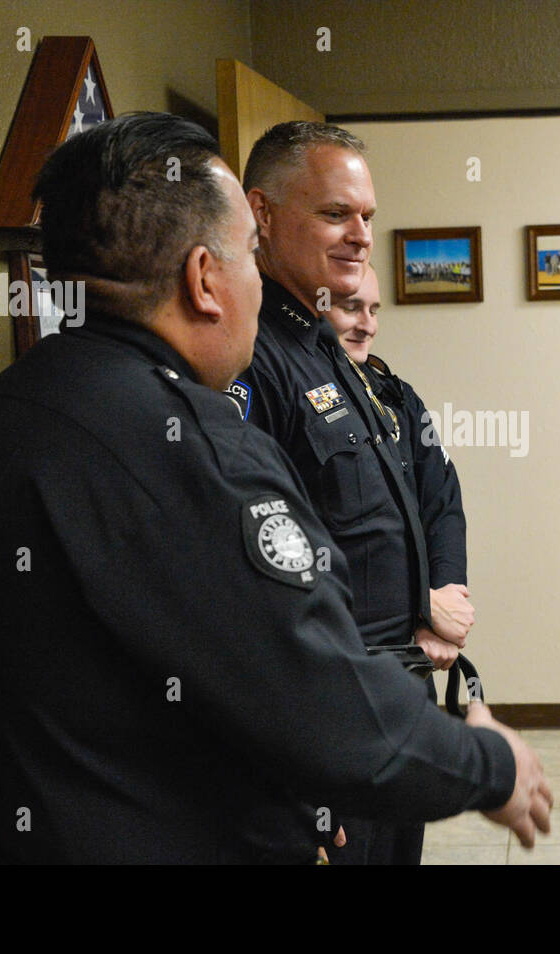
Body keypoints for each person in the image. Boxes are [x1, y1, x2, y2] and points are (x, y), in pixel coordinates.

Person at [0, 112, 551, 864]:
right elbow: (321, 705)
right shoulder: (193, 445)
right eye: (250, 251)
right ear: (205, 280)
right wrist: (490, 765)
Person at [235, 121, 466, 864]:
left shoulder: (327, 348)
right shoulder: (252, 356)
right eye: (337, 213)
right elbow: (254, 583)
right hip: (328, 707)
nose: (362, 235)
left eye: (368, 215)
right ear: (261, 215)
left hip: (390, 694)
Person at [326, 264, 474, 665]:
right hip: (344, 645)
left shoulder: (396, 395)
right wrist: (418, 605)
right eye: (351, 308)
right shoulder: (290, 392)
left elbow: (441, 502)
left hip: (409, 646)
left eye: (374, 311)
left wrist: (441, 601)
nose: (367, 326)